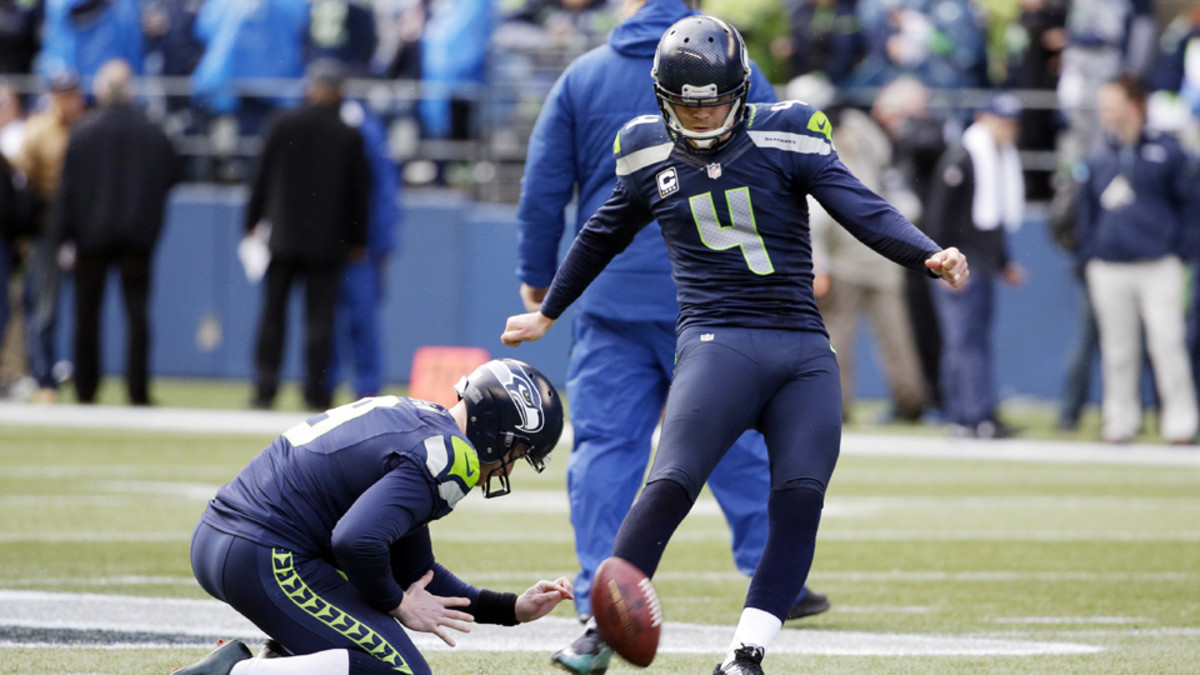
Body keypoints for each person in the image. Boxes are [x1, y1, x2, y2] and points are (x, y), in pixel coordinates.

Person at [502, 15, 969, 675]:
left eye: (717, 103)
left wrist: (927, 253)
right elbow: (600, 231)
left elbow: (859, 205)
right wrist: (548, 310)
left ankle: (745, 654)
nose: (702, 120)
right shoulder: (643, 150)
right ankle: (600, 631)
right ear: (663, 100)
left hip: (803, 348)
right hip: (716, 339)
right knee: (670, 480)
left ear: (742, 89)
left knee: (800, 496)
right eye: (689, 107)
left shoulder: (787, 131)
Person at [515, 2, 826, 672]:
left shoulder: (582, 77)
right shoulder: (733, 60)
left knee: (608, 445)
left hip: (614, 297)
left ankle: (604, 590)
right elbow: (788, 158)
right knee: (740, 441)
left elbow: (544, 186)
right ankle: (774, 574)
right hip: (729, 301)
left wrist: (537, 281)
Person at [174, 358, 574, 675]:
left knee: (361, 650)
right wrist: (398, 604)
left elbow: (416, 571)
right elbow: (356, 541)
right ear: (498, 433)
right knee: (397, 672)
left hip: (226, 538)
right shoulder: (451, 458)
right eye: (516, 454)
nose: (506, 470)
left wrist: (511, 608)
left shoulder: (423, 420)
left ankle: (278, 661)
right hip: (264, 552)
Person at [1074, 74, 1199, 444]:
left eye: (1112, 102)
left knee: (1168, 344)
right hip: (1109, 264)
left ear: (1136, 103)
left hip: (1158, 263)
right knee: (1117, 350)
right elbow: (1085, 212)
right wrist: (1089, 253)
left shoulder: (1168, 151)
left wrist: (1181, 252)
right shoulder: (1098, 154)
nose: (1105, 111)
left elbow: (1191, 207)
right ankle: (1120, 421)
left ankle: (1181, 423)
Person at [50, 59, 181, 405]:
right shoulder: (152, 130)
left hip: (91, 238)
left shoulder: (84, 130)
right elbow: (172, 175)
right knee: (137, 316)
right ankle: (137, 391)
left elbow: (68, 190)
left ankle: (85, 389)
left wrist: (63, 238)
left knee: (86, 317)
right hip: (137, 238)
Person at [244, 59, 371, 412]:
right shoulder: (348, 134)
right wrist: (358, 240)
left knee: (273, 317)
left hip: (283, 238)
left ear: (311, 87)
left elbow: (261, 177)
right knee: (320, 323)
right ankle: (316, 395)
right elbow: (358, 194)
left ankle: (264, 389)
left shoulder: (283, 123)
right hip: (327, 245)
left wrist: (252, 221)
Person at [923, 93, 1027, 439]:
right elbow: (938, 217)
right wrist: (941, 266)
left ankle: (982, 412)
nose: (1008, 131)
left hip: (981, 263)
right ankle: (965, 415)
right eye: (1003, 122)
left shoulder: (997, 159)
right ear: (985, 118)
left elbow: (991, 222)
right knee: (962, 340)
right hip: (957, 265)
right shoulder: (963, 157)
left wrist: (1004, 262)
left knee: (976, 340)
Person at [13, 69, 87, 404]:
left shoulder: (88, 128)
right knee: (45, 307)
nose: (67, 100)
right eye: (62, 93)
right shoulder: (39, 130)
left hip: (85, 228)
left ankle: (83, 380)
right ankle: (44, 379)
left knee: (86, 309)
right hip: (48, 229)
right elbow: (21, 180)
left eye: (71, 92)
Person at [327, 98, 400, 401]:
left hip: (359, 247)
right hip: (337, 245)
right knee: (328, 321)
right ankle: (326, 385)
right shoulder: (362, 132)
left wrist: (380, 243)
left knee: (360, 320)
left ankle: (365, 389)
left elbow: (384, 195)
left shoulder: (368, 133)